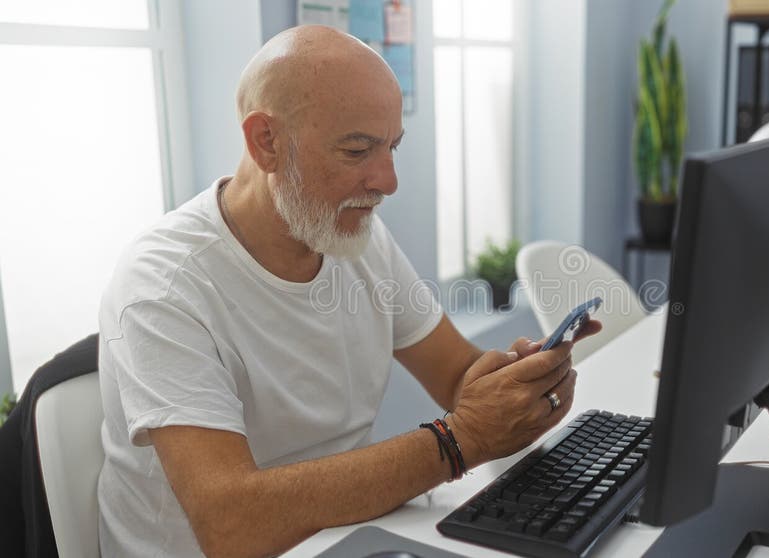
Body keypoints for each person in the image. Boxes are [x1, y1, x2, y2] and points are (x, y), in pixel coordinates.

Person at [97, 25, 599, 558]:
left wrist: (518, 382)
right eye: (358, 150)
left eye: (391, 147)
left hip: (344, 538)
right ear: (266, 141)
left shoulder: (350, 233)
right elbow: (231, 524)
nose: (387, 180)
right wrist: (461, 440)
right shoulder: (163, 285)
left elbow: (456, 375)